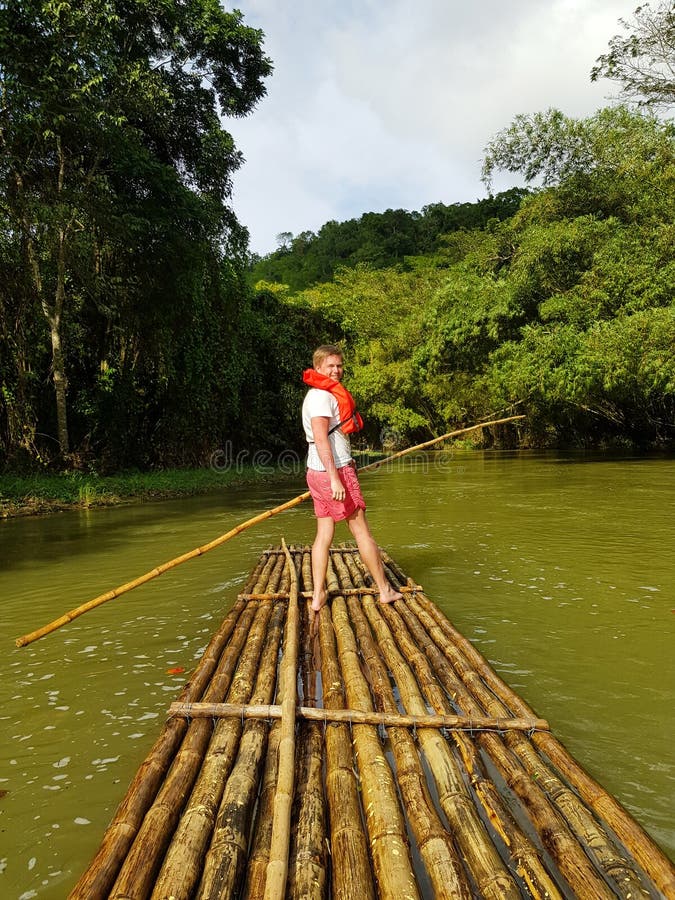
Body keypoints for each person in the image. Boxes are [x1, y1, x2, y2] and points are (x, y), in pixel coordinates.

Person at [302, 344, 403, 612]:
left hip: (316, 472)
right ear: (318, 368)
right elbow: (321, 438)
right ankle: (385, 590)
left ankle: (318, 595)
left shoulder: (315, 395)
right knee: (362, 532)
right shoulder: (322, 397)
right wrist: (336, 478)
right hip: (333, 472)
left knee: (324, 534)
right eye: (330, 366)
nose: (336, 370)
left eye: (339, 365)